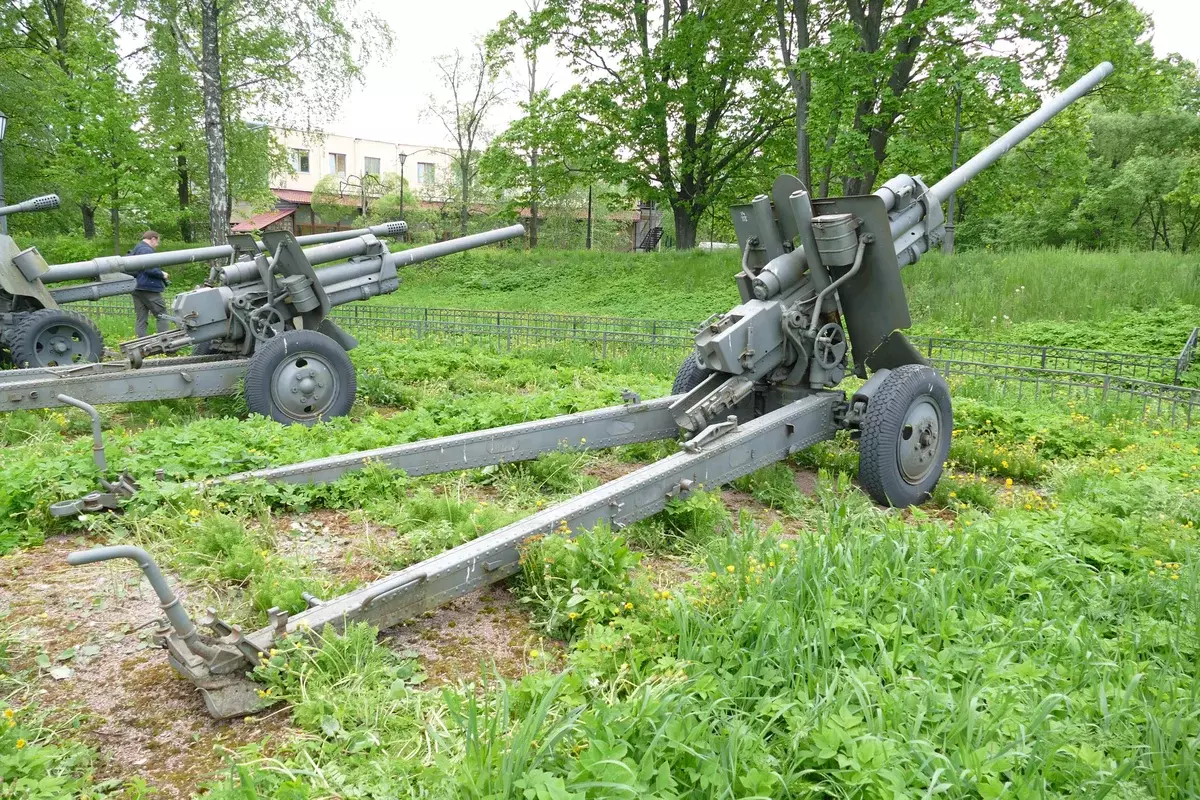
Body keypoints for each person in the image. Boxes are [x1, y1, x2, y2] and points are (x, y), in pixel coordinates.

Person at [130, 231, 170, 338]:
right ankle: (165, 342)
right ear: (153, 239)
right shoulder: (146, 250)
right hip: (148, 288)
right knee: (162, 315)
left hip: (136, 287)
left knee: (141, 319)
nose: (157, 245)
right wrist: (162, 274)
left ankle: (141, 345)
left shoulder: (137, 248)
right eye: (157, 242)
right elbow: (150, 268)